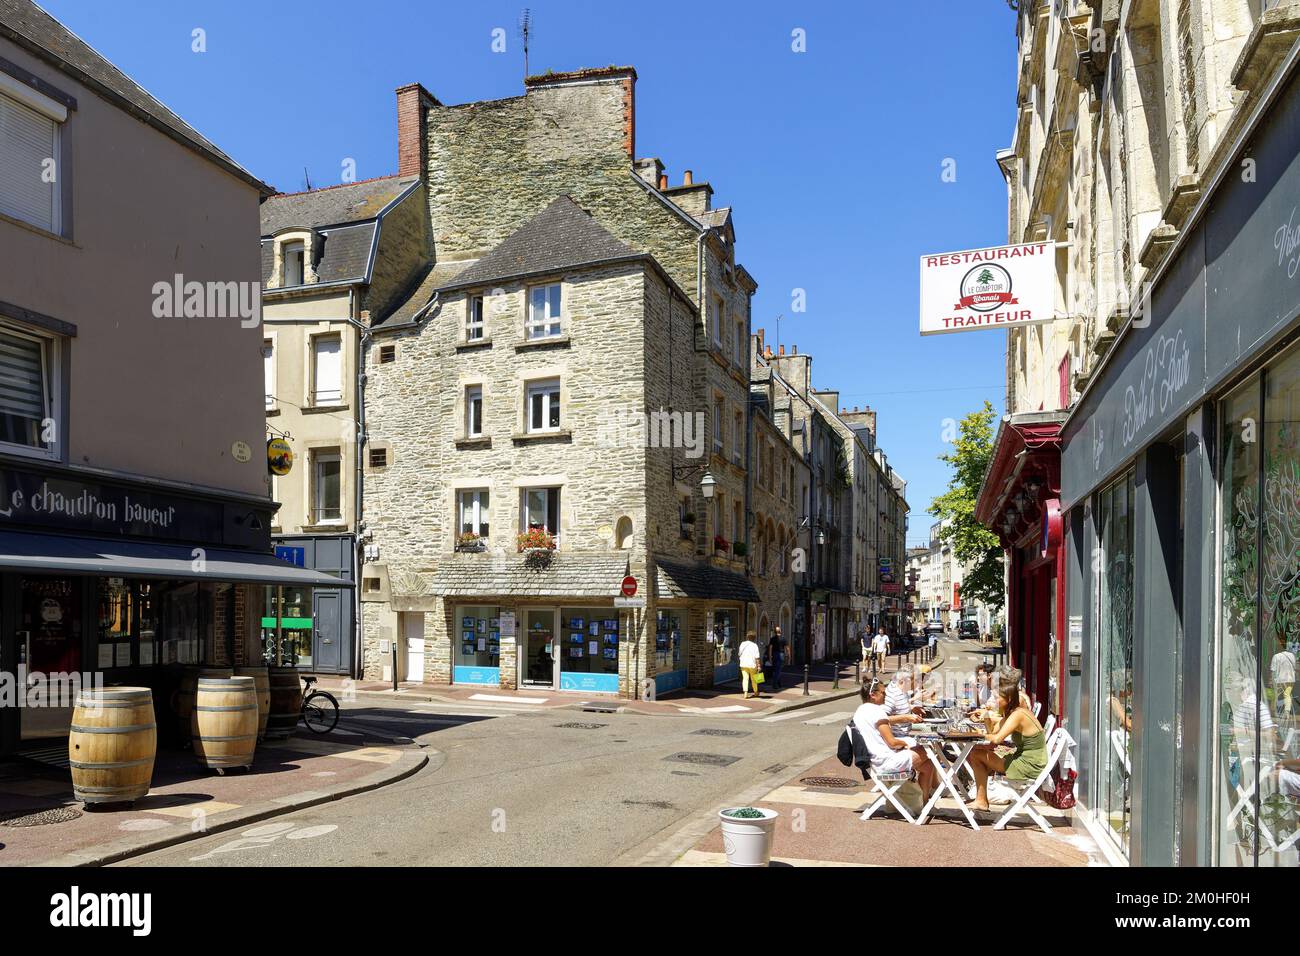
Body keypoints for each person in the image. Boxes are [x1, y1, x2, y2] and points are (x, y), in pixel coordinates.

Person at [966, 669, 1048, 812]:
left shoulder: (1018, 715)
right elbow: (994, 731)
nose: (995, 700)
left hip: (1029, 763)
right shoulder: (1012, 712)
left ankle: (981, 800)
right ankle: (982, 797)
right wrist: (986, 716)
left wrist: (982, 735)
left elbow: (996, 739)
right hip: (1025, 757)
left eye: (998, 697)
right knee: (979, 751)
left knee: (976, 755)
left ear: (1009, 699)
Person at [853, 677, 937, 801]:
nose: (885, 695)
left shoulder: (860, 711)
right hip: (887, 762)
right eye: (883, 693)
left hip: (874, 761)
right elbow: (892, 742)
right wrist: (904, 743)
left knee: (928, 765)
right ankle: (925, 799)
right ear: (873, 695)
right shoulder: (878, 712)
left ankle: (923, 803)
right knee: (930, 749)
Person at [884, 667, 924, 735]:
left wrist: (911, 708)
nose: (918, 683)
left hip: (907, 732)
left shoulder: (904, 690)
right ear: (906, 680)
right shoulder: (892, 694)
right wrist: (906, 717)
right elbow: (882, 719)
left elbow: (897, 708)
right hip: (898, 736)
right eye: (916, 680)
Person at [738, 630, 763, 699]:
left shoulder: (742, 644)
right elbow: (757, 657)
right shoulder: (755, 645)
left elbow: (739, 653)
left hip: (743, 663)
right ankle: (755, 692)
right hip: (752, 664)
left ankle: (745, 692)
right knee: (754, 679)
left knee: (745, 678)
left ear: (747, 637)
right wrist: (758, 666)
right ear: (754, 638)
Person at [1273, 646, 1296, 717]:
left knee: (1276, 695)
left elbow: (1273, 670)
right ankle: (1287, 712)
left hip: (1280, 680)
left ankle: (1274, 711)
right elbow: (1294, 667)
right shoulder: (1292, 656)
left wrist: (1272, 680)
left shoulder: (1276, 656)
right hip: (1290, 679)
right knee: (1287, 694)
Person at [768, 626, 786, 690]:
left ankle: (779, 683)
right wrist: (789, 656)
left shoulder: (772, 638)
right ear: (780, 631)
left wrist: (770, 657)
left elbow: (770, 648)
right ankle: (775, 684)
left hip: (774, 654)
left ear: (775, 632)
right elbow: (787, 648)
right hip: (781, 654)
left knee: (776, 669)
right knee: (778, 670)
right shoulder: (783, 638)